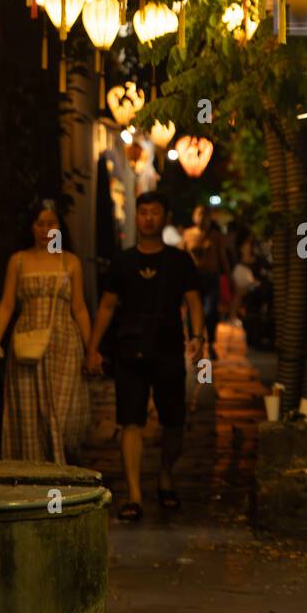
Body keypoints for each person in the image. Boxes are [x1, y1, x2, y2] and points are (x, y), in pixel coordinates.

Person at [85, 191, 205, 521]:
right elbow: (107, 306)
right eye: (143, 212)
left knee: (174, 421)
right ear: (136, 217)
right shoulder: (122, 262)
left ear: (164, 217)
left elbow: (194, 303)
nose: (148, 217)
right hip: (129, 348)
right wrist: (93, 347)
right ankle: (134, 494)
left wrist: (197, 337)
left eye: (154, 212)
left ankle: (166, 475)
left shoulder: (180, 261)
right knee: (131, 421)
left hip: (167, 346)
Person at [0, 200, 91, 464]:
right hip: (26, 347)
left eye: (51, 224)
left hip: (64, 346)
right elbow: (7, 304)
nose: (45, 230)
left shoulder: (71, 262)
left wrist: (92, 350)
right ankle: (34, 477)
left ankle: (61, 473)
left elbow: (79, 308)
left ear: (60, 227)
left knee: (62, 415)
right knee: (28, 416)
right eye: (40, 224)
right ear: (31, 227)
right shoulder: (19, 261)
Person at [183, 203, 228, 356]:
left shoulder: (216, 236)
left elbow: (222, 257)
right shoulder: (188, 234)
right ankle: (195, 343)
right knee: (192, 312)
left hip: (211, 277)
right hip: (192, 278)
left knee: (210, 312)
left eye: (204, 214)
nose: (202, 217)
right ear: (194, 217)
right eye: (199, 214)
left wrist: (228, 277)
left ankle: (211, 343)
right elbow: (181, 257)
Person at [227, 225, 259, 327]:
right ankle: (233, 317)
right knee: (239, 293)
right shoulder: (241, 265)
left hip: (244, 270)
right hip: (242, 270)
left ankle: (234, 317)